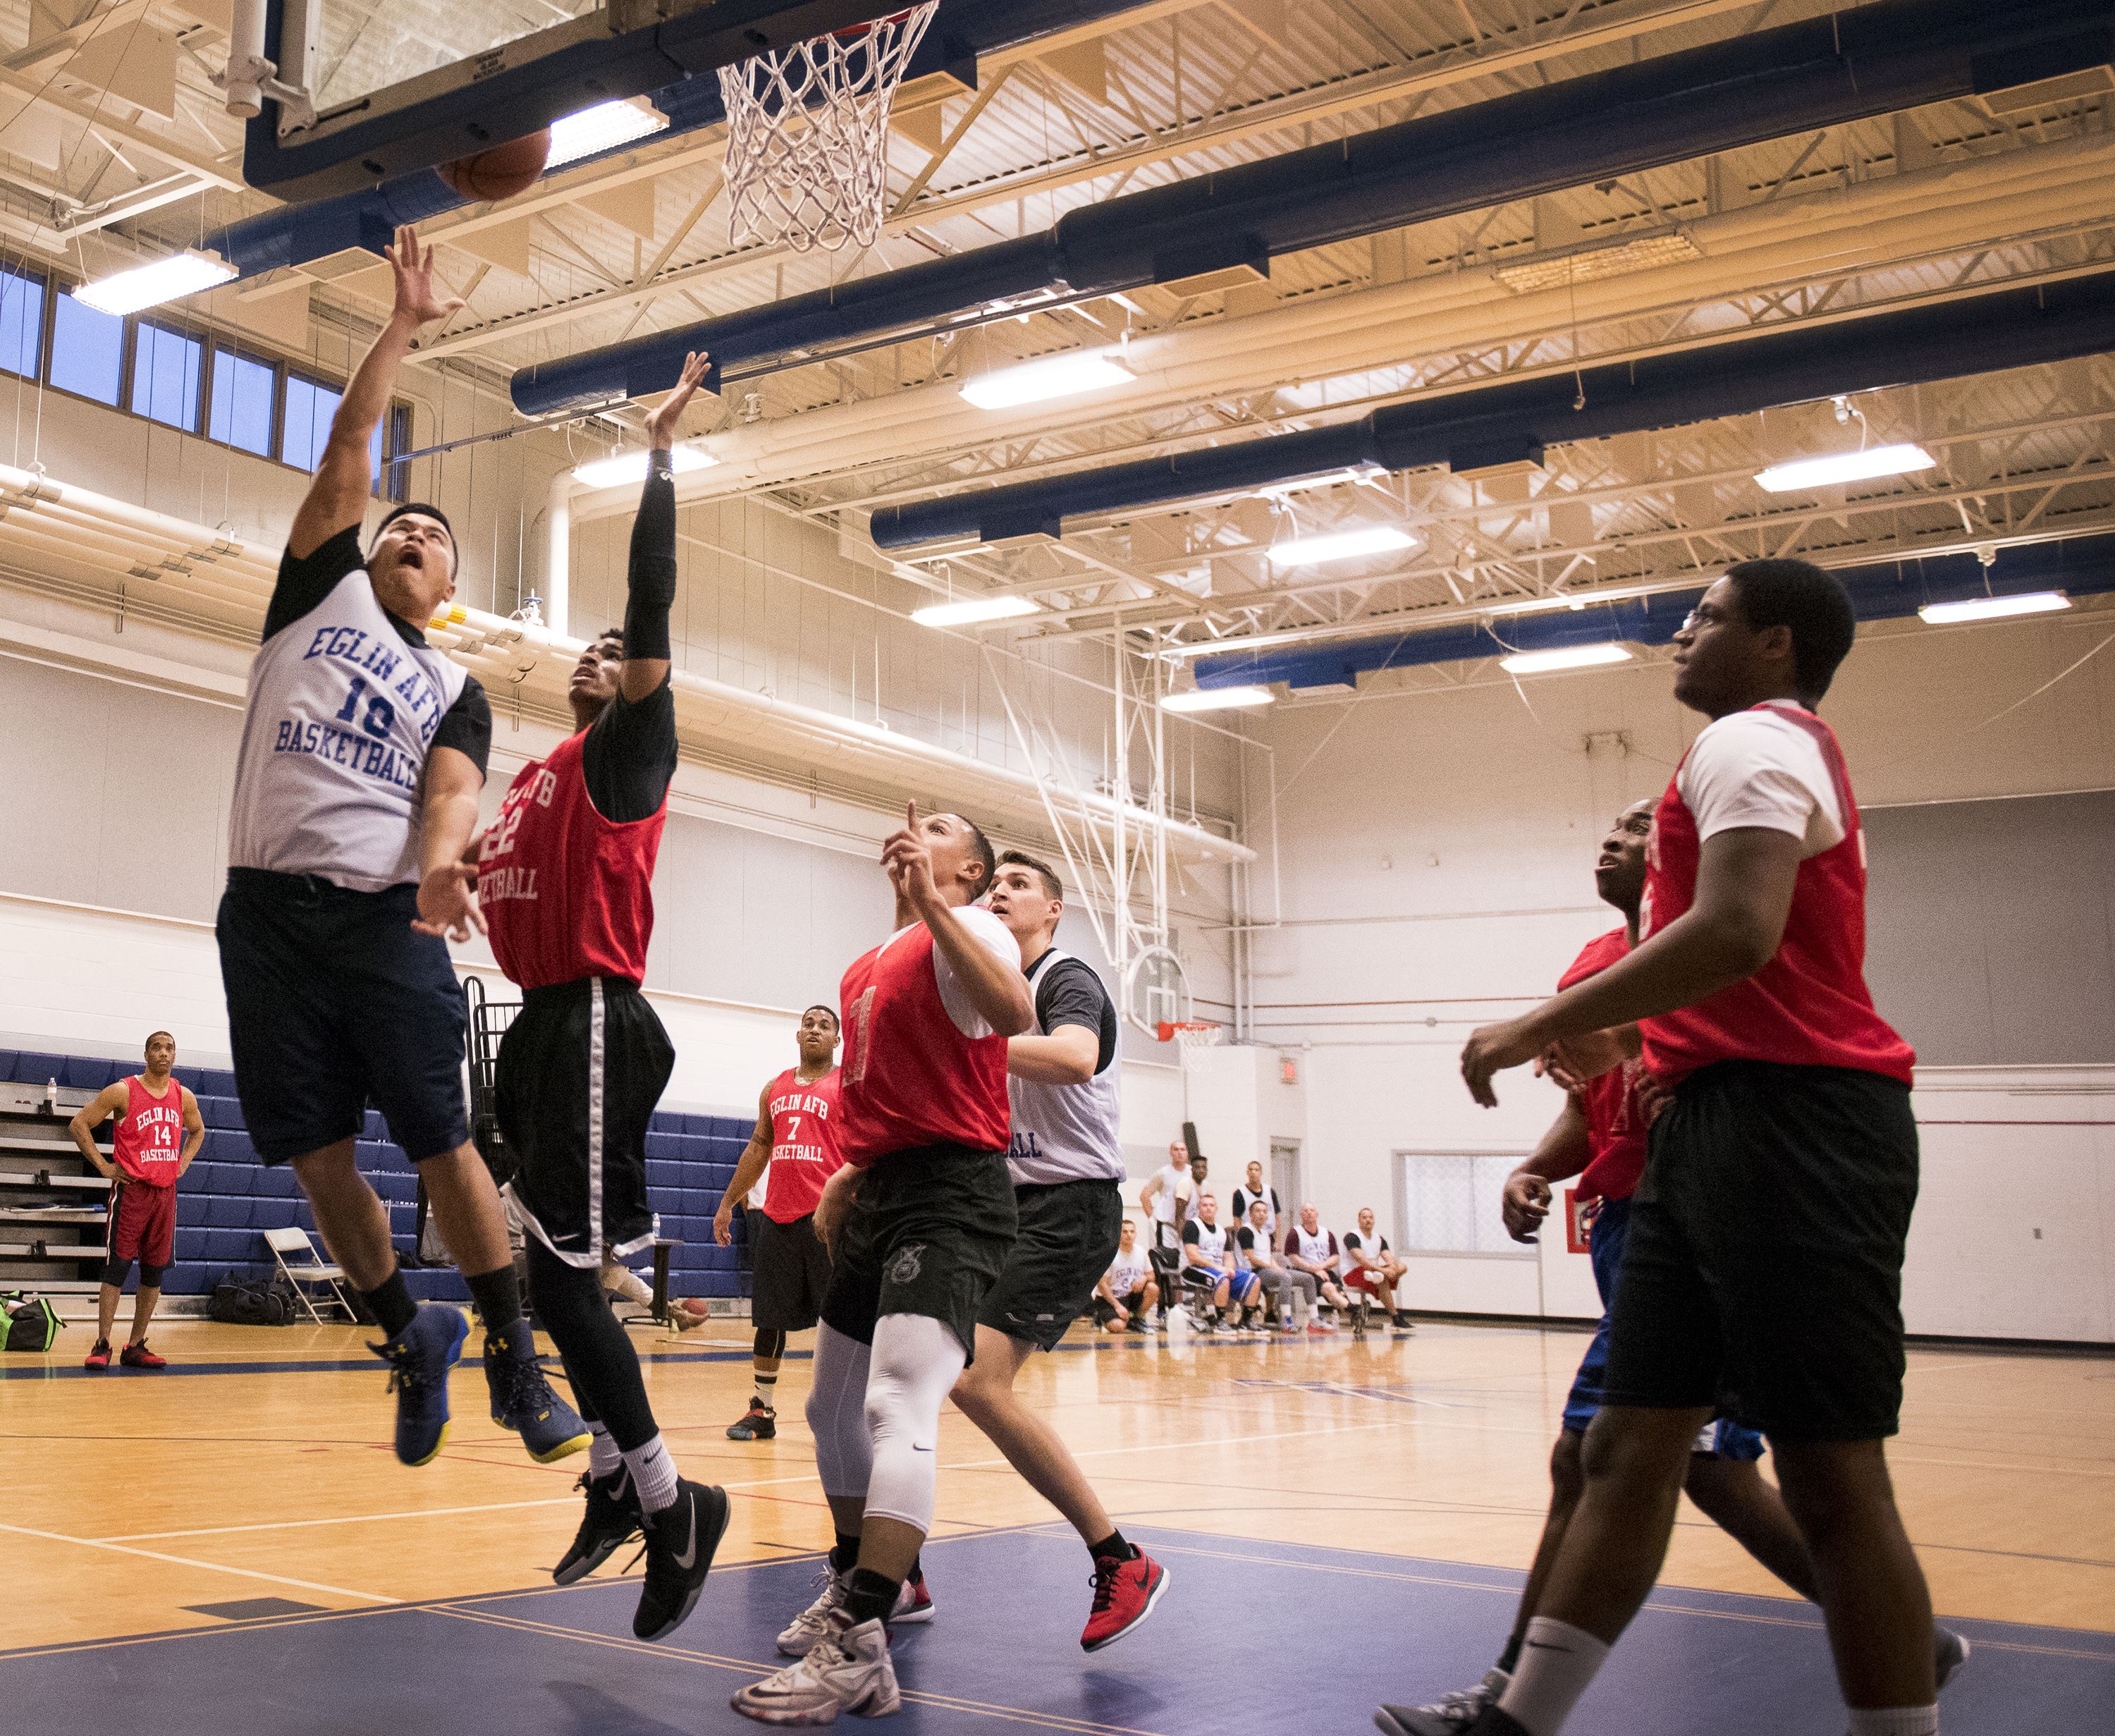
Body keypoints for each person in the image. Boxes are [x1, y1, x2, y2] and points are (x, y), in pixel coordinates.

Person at [1447, 562, 1941, 1736]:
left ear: (1775, 644)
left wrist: (1535, 1025)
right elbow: (1711, 951)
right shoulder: (1735, 756)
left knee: (1829, 1476)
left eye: (1710, 615)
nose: (1683, 628)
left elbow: (1740, 930)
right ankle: (1520, 1721)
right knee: (1628, 1444)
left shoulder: (1756, 740)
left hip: (1800, 1127)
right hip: (1710, 1128)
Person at [1385, 797, 1966, 1732]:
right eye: (1608, 827)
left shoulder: (1725, 954)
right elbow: (1594, 1107)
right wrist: (1538, 1163)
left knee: (1608, 1457)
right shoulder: (1597, 969)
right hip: (1633, 1226)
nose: (1617, 838)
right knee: (1711, 1472)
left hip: (1720, 1215)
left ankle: (1503, 1700)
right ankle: (1911, 1639)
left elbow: (1721, 1046)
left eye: (1640, 827)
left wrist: (1646, 1047)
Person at [214, 226, 582, 1468]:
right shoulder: (312, 589)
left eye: (434, 539)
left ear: (447, 588)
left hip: (386, 914)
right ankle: (402, 1332)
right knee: (316, 1159)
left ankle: (514, 1359)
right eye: (400, 525)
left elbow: (455, 791)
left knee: (442, 1142)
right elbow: (353, 450)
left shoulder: (454, 679)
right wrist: (404, 327)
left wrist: (442, 858)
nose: (410, 534)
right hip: (265, 912)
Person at [475, 351, 728, 1639]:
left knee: (566, 1280)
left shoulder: (631, 749)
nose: (605, 646)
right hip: (532, 1027)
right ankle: (614, 1480)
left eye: (625, 649)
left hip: (591, 1016)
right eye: (597, 644)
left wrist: (660, 453)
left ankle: (673, 1501)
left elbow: (649, 595)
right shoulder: (532, 773)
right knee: (529, 1272)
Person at [731, 805, 1032, 1725]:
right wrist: (850, 1174)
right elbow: (885, 1086)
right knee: (828, 1407)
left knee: (896, 1402)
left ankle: (861, 1639)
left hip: (955, 1191)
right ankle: (864, 1579)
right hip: (883, 1192)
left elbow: (1014, 1012)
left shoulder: (975, 926)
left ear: (972, 870)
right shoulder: (867, 962)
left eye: (942, 824)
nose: (918, 823)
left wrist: (933, 907)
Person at [948, 850, 1170, 1651]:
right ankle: (884, 1560)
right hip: (1000, 1202)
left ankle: (1121, 1556)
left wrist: (968, 1051)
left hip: (1069, 1205)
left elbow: (1075, 1055)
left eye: (1018, 886)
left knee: (977, 1381)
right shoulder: (984, 988)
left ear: (1053, 912)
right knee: (899, 1359)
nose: (999, 894)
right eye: (992, 885)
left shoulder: (1063, 977)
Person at [714, 1005, 847, 1441]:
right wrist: (728, 1201)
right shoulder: (775, 1088)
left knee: (841, 1320)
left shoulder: (848, 1086)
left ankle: (846, 1409)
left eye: (825, 1025)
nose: (815, 1030)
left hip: (827, 1219)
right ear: (797, 1035)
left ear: (837, 1039)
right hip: (777, 1215)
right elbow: (758, 1148)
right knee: (769, 1318)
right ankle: (762, 1411)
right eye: (808, 1023)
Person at [69, 1032, 203, 1371]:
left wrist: (183, 1162)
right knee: (117, 1268)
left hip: (165, 1194)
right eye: (157, 1047)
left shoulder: (183, 1095)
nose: (163, 1053)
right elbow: (79, 1124)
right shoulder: (123, 1091)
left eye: (169, 1048)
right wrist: (102, 1166)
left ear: (175, 1055)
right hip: (132, 1192)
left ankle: (137, 1344)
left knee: (153, 1272)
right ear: (146, 1054)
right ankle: (102, 1344)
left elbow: (198, 1130)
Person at [1180, 1191, 1262, 1334]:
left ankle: (1246, 1321)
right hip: (1193, 1269)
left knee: (1253, 1279)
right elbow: (1193, 1256)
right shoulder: (1192, 1226)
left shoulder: (1221, 1230)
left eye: (1211, 1205)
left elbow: (1228, 1256)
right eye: (1204, 1205)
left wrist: (1229, 1269)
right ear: (1199, 1208)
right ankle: (1220, 1320)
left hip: (1217, 1269)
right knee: (1222, 1278)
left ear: (1216, 1209)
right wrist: (1219, 1268)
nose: (1208, 1208)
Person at [1239, 1197, 1314, 1333]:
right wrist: (1272, 1268)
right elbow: (1250, 1258)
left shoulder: (1266, 1234)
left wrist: (1278, 1268)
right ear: (1250, 1214)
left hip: (1267, 1269)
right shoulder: (1246, 1231)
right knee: (1285, 1278)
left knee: (1308, 1278)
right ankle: (1286, 1319)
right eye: (1258, 1211)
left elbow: (1269, 1257)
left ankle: (1315, 1320)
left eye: (1264, 1211)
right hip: (1253, 1272)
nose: (1262, 1214)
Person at [1344, 1206, 1411, 1331]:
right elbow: (1362, 1261)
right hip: (1354, 1272)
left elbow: (1389, 1257)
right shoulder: (1352, 1237)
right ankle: (1395, 1317)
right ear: (1359, 1220)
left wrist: (1392, 1268)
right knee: (1382, 1277)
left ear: (1374, 1220)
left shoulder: (1379, 1238)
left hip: (1373, 1272)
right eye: (1364, 1217)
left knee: (1402, 1267)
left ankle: (1381, 1278)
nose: (1368, 1220)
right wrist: (1385, 1271)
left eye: (1370, 1217)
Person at [1285, 1202, 1352, 1322]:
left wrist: (1321, 1267)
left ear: (1317, 1214)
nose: (1309, 1213)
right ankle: (1355, 1311)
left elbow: (1335, 1258)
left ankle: (1354, 1316)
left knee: (1339, 1292)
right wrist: (1315, 1269)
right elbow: (1294, 1258)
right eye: (1305, 1211)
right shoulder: (1295, 1233)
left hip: (1325, 1270)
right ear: (1301, 1215)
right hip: (1304, 1272)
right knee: (1329, 1288)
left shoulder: (1327, 1234)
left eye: (1312, 1210)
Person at [1093, 1219, 1157, 1333]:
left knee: (1153, 1288)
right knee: (1119, 1327)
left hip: (1130, 1296)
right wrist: (1117, 1306)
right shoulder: (1110, 1253)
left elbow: (1151, 1275)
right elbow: (1102, 1284)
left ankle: (1136, 1320)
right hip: (1109, 1299)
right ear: (1119, 1234)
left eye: (1132, 1232)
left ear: (1136, 1234)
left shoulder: (1141, 1252)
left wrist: (1144, 1278)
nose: (1129, 1235)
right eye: (1125, 1232)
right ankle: (1100, 1318)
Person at [1228, 1158, 1280, 1244]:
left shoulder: (1270, 1191)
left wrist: (1278, 1240)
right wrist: (1241, 1240)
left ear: (1261, 1173)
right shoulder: (1240, 1193)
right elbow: (1237, 1219)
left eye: (1256, 1170)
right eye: (1251, 1169)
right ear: (1247, 1173)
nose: (1253, 1172)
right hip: (1250, 1237)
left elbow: (1277, 1216)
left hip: (1269, 1235)